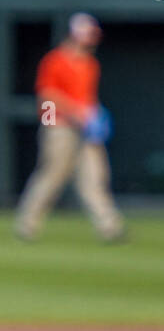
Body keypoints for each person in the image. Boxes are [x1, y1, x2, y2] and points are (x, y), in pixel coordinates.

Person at [15, 14, 124, 242]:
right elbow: (46, 96)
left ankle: (110, 227)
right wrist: (74, 112)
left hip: (85, 129)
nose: (91, 40)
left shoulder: (90, 64)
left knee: (94, 178)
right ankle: (26, 225)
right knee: (52, 176)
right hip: (59, 126)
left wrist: (95, 116)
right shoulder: (55, 60)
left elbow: (88, 98)